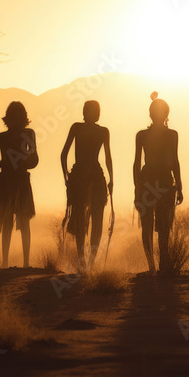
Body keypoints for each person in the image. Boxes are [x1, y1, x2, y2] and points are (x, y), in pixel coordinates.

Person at [133, 92, 184, 274]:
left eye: (160, 112)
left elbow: (175, 160)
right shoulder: (142, 135)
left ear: (165, 115)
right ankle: (152, 266)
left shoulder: (172, 135)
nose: (157, 115)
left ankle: (161, 264)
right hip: (151, 181)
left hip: (162, 181)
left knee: (163, 226)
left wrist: (179, 184)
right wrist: (136, 187)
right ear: (151, 114)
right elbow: (136, 162)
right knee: (149, 225)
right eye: (155, 112)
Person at [61, 100, 113, 270]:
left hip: (80, 177)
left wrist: (67, 177)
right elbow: (108, 159)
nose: (97, 113)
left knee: (81, 220)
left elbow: (63, 155)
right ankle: (87, 261)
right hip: (93, 177)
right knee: (94, 220)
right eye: (96, 110)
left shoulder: (77, 128)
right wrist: (111, 179)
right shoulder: (102, 131)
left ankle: (84, 260)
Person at [0, 101, 38, 268]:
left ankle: (11, 262)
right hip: (13, 181)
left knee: (15, 221)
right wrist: (14, 162)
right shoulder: (11, 136)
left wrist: (11, 162)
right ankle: (17, 263)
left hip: (15, 180)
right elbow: (34, 160)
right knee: (14, 221)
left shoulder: (4, 137)